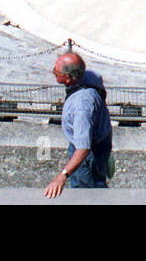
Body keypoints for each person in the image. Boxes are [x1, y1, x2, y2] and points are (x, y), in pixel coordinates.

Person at [44, 51, 112, 197]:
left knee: (87, 192)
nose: (53, 72)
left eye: (56, 72)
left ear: (67, 78)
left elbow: (83, 149)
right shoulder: (89, 77)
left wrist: (62, 176)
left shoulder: (82, 106)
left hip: (89, 152)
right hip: (99, 139)